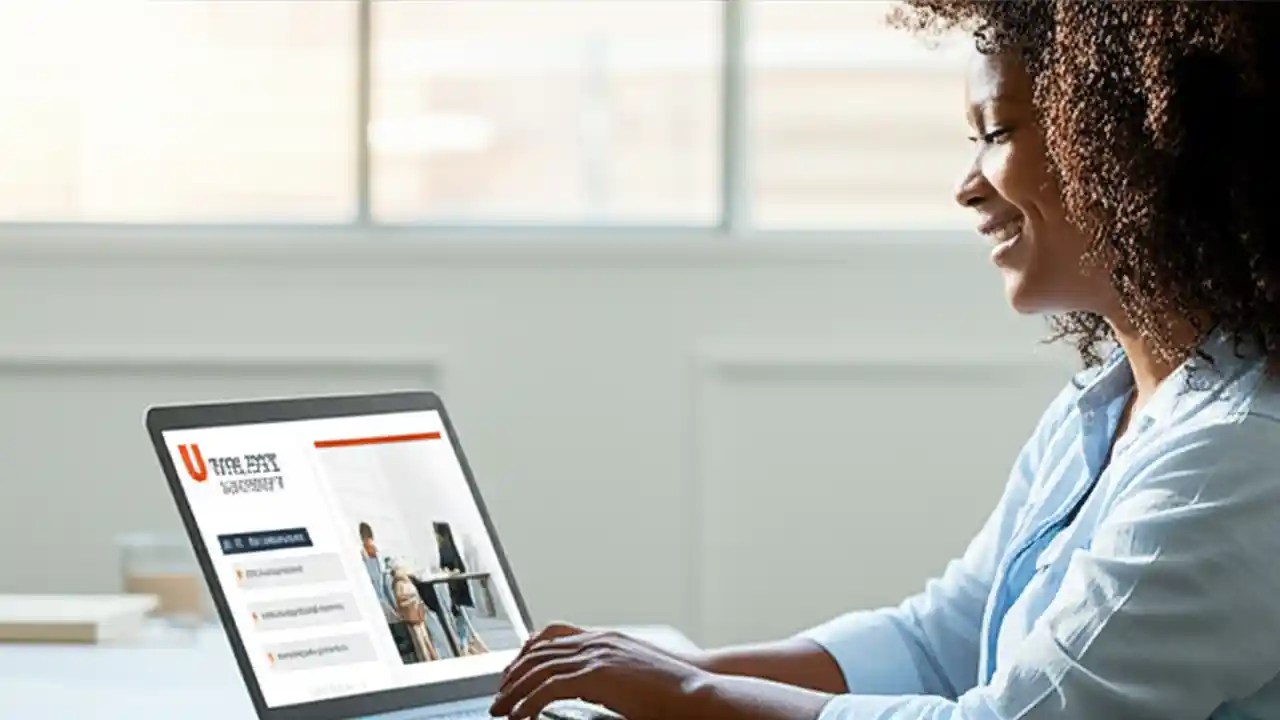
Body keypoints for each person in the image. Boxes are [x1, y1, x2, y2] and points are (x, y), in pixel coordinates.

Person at [490, 3, 1280, 720]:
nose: (968, 188)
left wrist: (688, 694)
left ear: (1129, 140)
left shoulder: (1239, 457)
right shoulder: (1105, 408)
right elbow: (938, 644)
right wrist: (658, 670)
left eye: (997, 132)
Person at [434, 521, 490, 656]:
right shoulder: (448, 547)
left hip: (457, 588)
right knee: (460, 616)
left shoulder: (446, 548)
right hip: (456, 588)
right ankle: (466, 643)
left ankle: (465, 644)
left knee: (461, 616)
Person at [391, 560, 439, 663]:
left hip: (417, 611)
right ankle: (426, 659)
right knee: (419, 639)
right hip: (411, 614)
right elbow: (400, 599)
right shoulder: (398, 584)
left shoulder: (408, 581)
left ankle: (433, 657)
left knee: (426, 637)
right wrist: (412, 598)